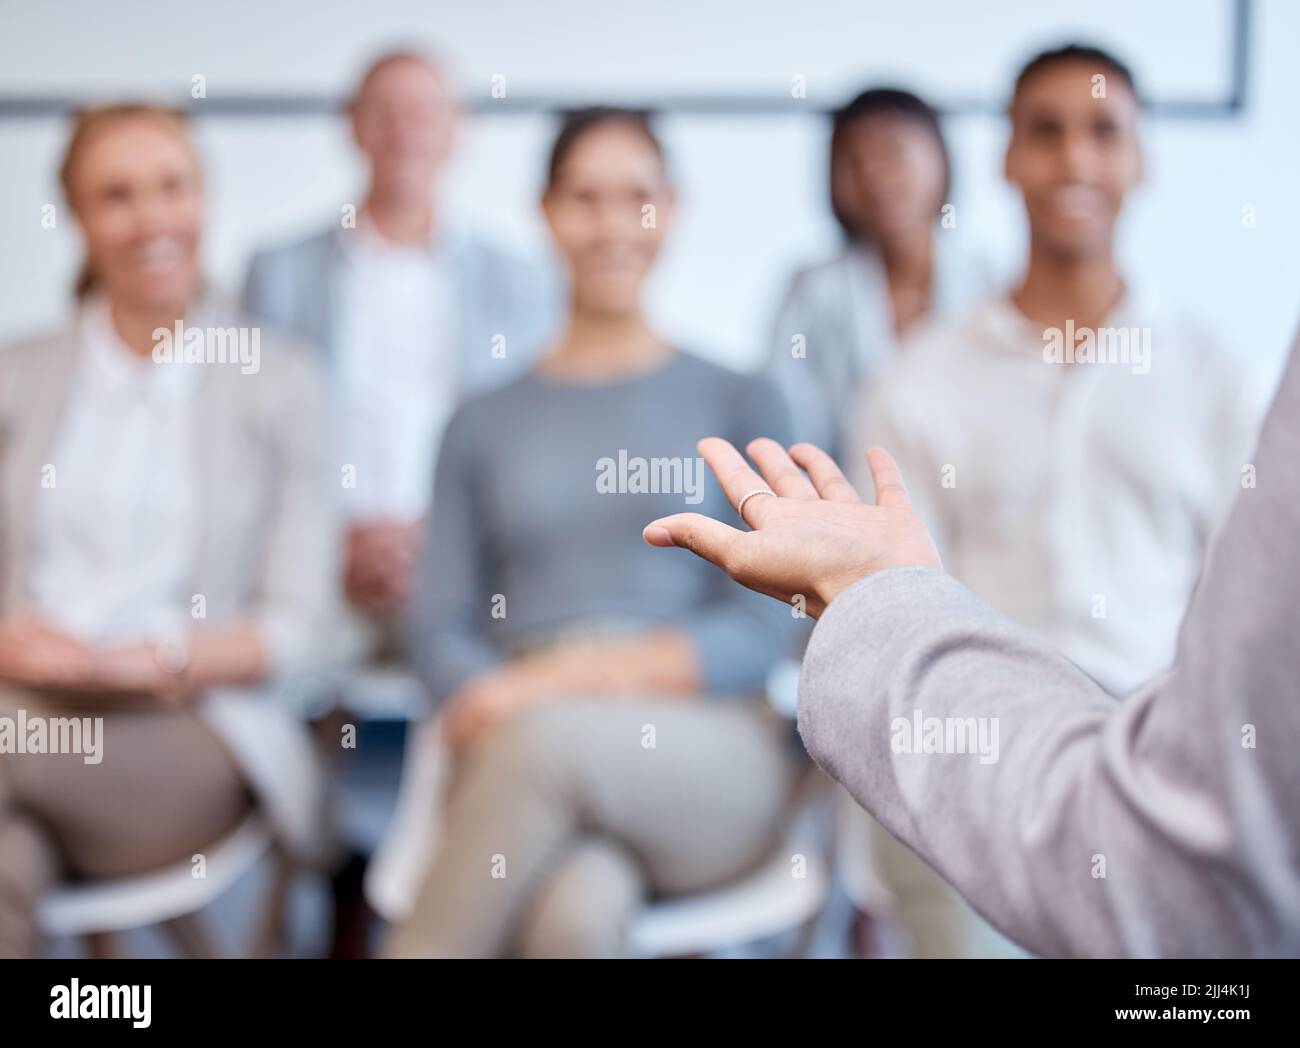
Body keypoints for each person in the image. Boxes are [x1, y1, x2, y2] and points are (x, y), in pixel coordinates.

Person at [643, 307, 1299, 957]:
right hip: (975, 738)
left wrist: (877, 601)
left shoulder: (1213, 373)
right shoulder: (919, 379)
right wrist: (881, 596)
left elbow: (1191, 874)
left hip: (1096, 735)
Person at [836, 43, 1264, 957]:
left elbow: (1243, 615)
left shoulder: (1213, 374)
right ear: (1004, 158)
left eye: (1103, 133)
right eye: (1046, 133)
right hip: (970, 763)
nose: (1074, 160)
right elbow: (890, 611)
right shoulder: (916, 382)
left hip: (1161, 762)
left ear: (1139, 159)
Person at [383, 109, 801, 959]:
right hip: (520, 750)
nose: (613, 224)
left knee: (544, 745)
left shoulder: (742, 398)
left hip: (704, 748)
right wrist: (497, 697)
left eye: (638, 199)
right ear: (546, 213)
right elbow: (437, 627)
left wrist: (551, 686)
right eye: (586, 198)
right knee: (573, 916)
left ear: (673, 209)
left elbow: (766, 626)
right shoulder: (481, 419)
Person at [0, 105, 337, 957]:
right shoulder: (17, 376)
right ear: (76, 217)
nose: (150, 218)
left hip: (192, 725)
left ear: (204, 199)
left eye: (171, 187)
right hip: (26, 705)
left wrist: (154, 658)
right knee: (8, 862)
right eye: (116, 195)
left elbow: (300, 632)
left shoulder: (283, 383)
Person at [243, 49, 560, 657]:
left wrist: (438, 544)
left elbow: (529, 438)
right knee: (288, 696)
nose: (403, 133)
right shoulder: (278, 272)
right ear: (353, 126)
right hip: (312, 564)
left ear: (457, 130)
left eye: (423, 113)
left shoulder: (522, 282)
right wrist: (333, 539)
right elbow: (253, 437)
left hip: (471, 569)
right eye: (384, 113)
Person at [766, 87, 986, 458]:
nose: (874, 177)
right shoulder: (812, 290)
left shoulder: (991, 280)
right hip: (846, 505)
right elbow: (789, 420)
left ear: (941, 161)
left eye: (893, 154)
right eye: (854, 161)